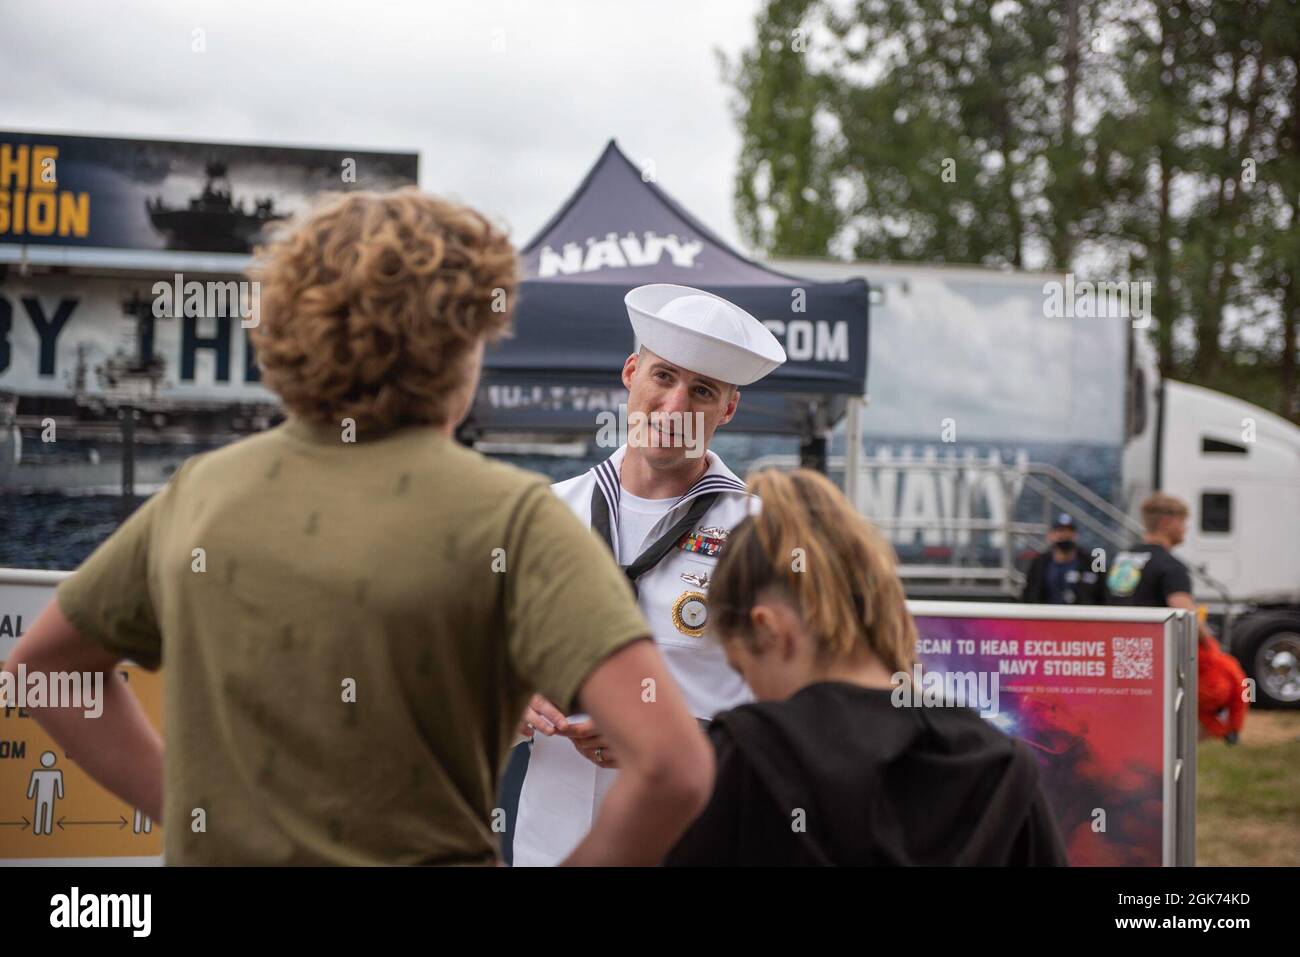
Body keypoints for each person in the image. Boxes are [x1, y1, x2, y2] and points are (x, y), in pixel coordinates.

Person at [3, 189, 713, 865]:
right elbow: (673, 764)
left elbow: (41, 668)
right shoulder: (514, 518)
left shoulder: (201, 494)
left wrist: (199, 813)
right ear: (461, 349)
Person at [510, 283, 786, 867]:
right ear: (632, 372)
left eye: (703, 390)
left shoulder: (762, 536)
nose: (676, 405)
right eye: (663, 376)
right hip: (550, 848)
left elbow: (796, 721)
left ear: (728, 409)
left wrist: (672, 739)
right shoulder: (544, 516)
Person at [665, 468, 1069, 866]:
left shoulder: (750, 757)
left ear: (769, 630)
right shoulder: (1005, 769)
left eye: (742, 669)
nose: (751, 690)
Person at [1107, 492, 1248, 742]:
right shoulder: (1170, 565)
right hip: (1153, 661)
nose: (1185, 529)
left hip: (1117, 657)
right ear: (1166, 523)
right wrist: (1209, 645)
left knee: (1124, 729)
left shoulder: (1121, 559)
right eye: (1183, 522)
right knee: (1164, 735)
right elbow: (1186, 616)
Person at [1020, 513, 1106, 605]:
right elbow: (1029, 595)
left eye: (1069, 531)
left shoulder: (1092, 562)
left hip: (1082, 616)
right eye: (1060, 531)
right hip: (1047, 615)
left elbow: (1103, 595)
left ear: (1075, 535)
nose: (1065, 535)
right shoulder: (1040, 563)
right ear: (1051, 535)